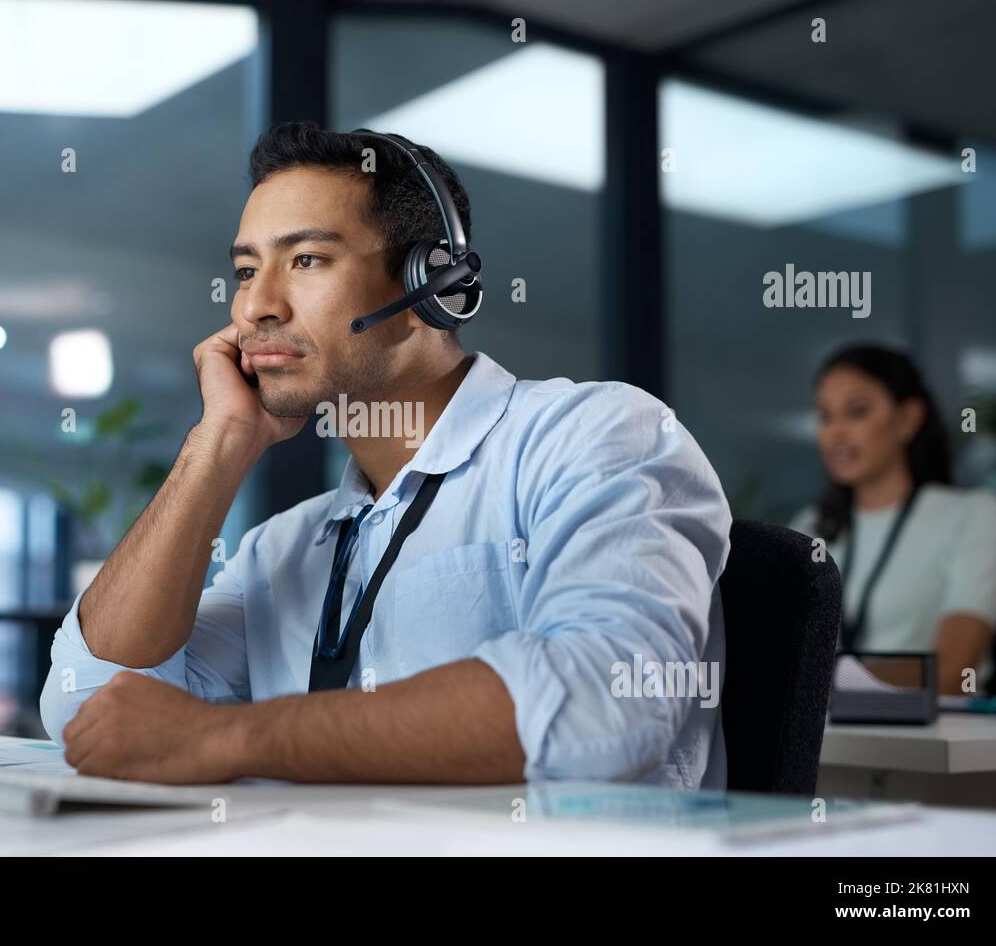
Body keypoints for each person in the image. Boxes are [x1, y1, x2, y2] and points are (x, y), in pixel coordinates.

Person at [39, 121, 731, 786]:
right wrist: (215, 447)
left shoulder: (595, 437)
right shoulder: (281, 548)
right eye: (247, 269)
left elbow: (608, 703)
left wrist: (226, 736)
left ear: (428, 286)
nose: (254, 307)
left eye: (306, 259)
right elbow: (87, 706)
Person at [790, 344, 996, 695]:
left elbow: (954, 671)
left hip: (937, 740)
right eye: (825, 417)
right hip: (826, 739)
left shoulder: (975, 514)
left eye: (857, 412)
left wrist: (823, 680)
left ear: (908, 419)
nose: (836, 433)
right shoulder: (809, 527)